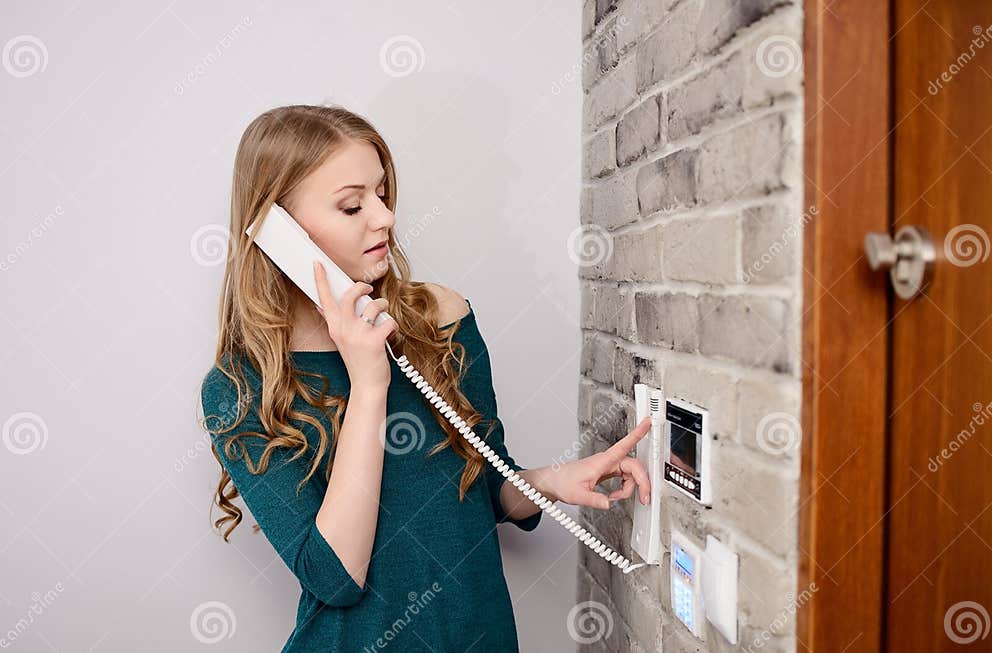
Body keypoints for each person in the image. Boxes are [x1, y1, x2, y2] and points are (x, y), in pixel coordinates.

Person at [199, 104, 653, 652]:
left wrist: (553, 482)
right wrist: (369, 385)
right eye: (351, 205)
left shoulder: (440, 319)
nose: (384, 217)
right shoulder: (241, 389)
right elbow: (336, 578)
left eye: (382, 194)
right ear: (278, 232)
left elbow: (485, 490)